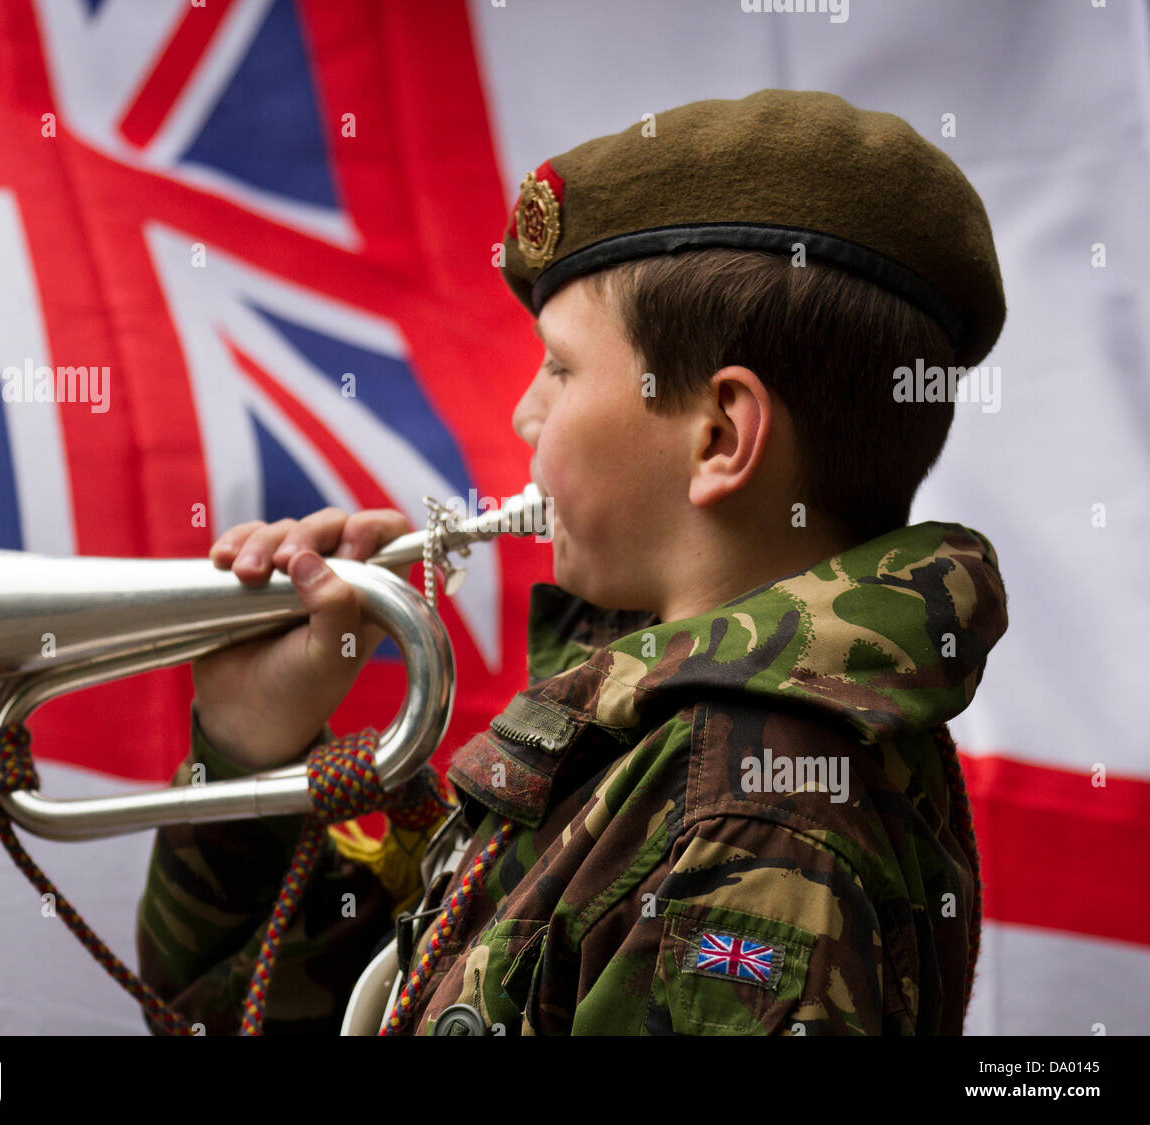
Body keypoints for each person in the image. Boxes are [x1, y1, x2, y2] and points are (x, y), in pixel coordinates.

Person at [136, 89, 1008, 1036]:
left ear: (720, 434)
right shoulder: (649, 748)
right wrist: (250, 748)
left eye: (558, 368)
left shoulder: (740, 821)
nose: (526, 414)